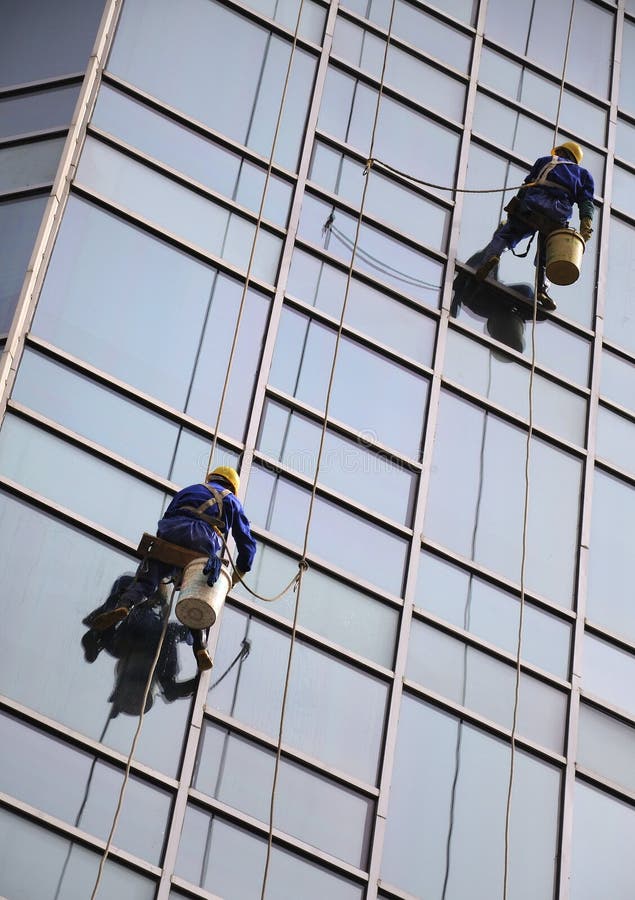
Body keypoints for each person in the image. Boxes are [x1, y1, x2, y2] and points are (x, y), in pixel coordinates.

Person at [87, 466, 257, 671]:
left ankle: (124, 604)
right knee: (198, 595)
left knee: (149, 579)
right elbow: (246, 543)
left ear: (211, 478)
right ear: (232, 486)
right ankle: (200, 645)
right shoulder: (231, 500)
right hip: (201, 539)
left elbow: (168, 514)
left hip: (170, 532)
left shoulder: (189, 489)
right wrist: (239, 573)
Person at [474, 141, 595, 310]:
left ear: (559, 152)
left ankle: (491, 258)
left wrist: (516, 209)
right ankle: (542, 290)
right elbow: (586, 202)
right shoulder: (584, 175)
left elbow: (527, 185)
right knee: (549, 252)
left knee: (507, 234)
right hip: (557, 214)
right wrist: (586, 224)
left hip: (532, 205)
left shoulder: (545, 161)